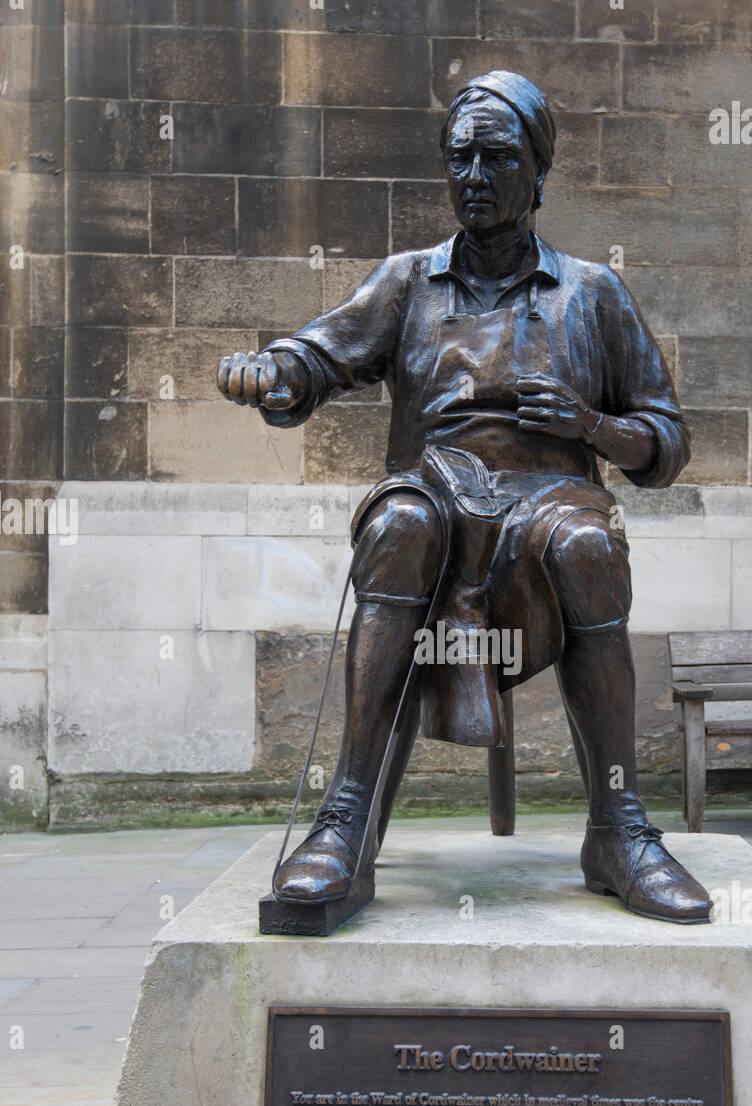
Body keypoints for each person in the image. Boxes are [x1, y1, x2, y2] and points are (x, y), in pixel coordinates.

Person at [218, 70, 712, 925]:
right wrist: (272, 367)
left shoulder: (589, 293)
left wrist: (590, 423)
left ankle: (617, 826)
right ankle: (347, 821)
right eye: (460, 160)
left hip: (552, 501)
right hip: (436, 494)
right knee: (401, 521)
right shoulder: (409, 281)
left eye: (496, 158)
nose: (475, 177)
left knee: (589, 546)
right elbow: (320, 353)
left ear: (538, 173)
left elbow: (663, 445)